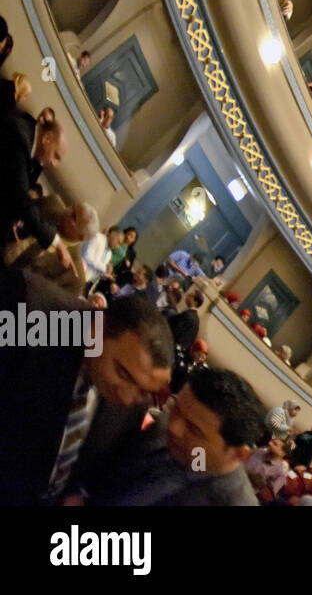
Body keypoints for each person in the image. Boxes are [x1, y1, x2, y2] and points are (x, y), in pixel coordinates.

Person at [0, 277, 174, 505]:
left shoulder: (136, 403)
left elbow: (97, 464)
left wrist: (80, 492)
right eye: (123, 374)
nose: (127, 397)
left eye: (144, 390)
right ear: (98, 329)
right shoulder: (29, 313)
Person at [78, 367, 265, 505]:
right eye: (176, 408)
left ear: (238, 454)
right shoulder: (160, 430)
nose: (174, 427)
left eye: (193, 429)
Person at [0, 105, 72, 271]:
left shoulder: (30, 143)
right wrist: (56, 242)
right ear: (46, 139)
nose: (54, 164)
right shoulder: (20, 139)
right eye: (56, 156)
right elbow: (20, 197)